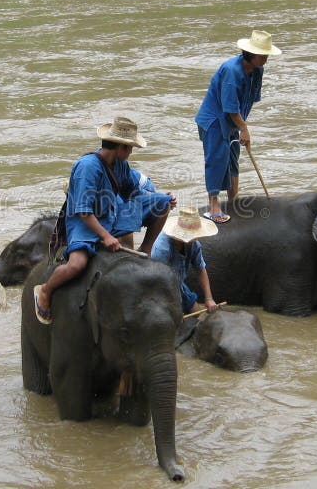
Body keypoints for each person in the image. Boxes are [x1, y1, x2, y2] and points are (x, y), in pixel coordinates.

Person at [34, 116, 171, 324]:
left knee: (163, 202)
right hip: (85, 223)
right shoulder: (87, 167)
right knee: (77, 265)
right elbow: (83, 211)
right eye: (130, 148)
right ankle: (45, 290)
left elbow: (132, 191)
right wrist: (106, 237)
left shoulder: (121, 165)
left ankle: (146, 249)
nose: (131, 152)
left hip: (112, 213)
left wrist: (159, 197)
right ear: (120, 147)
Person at [195, 29, 281, 223]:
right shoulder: (232, 71)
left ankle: (233, 200)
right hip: (215, 121)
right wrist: (244, 128)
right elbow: (230, 108)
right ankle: (214, 205)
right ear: (251, 54)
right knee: (217, 160)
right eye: (263, 55)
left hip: (234, 121)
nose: (266, 59)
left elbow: (249, 101)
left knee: (233, 159)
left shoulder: (257, 70)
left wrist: (241, 127)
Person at [150, 206, 218, 315]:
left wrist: (209, 299)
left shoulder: (193, 244)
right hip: (162, 289)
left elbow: (200, 269)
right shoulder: (162, 249)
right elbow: (157, 282)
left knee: (196, 313)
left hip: (179, 284)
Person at [113, 168, 177, 250]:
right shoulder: (101, 173)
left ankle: (145, 249)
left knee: (125, 220)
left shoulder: (126, 175)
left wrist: (166, 199)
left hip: (140, 189)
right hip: (126, 196)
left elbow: (140, 195)